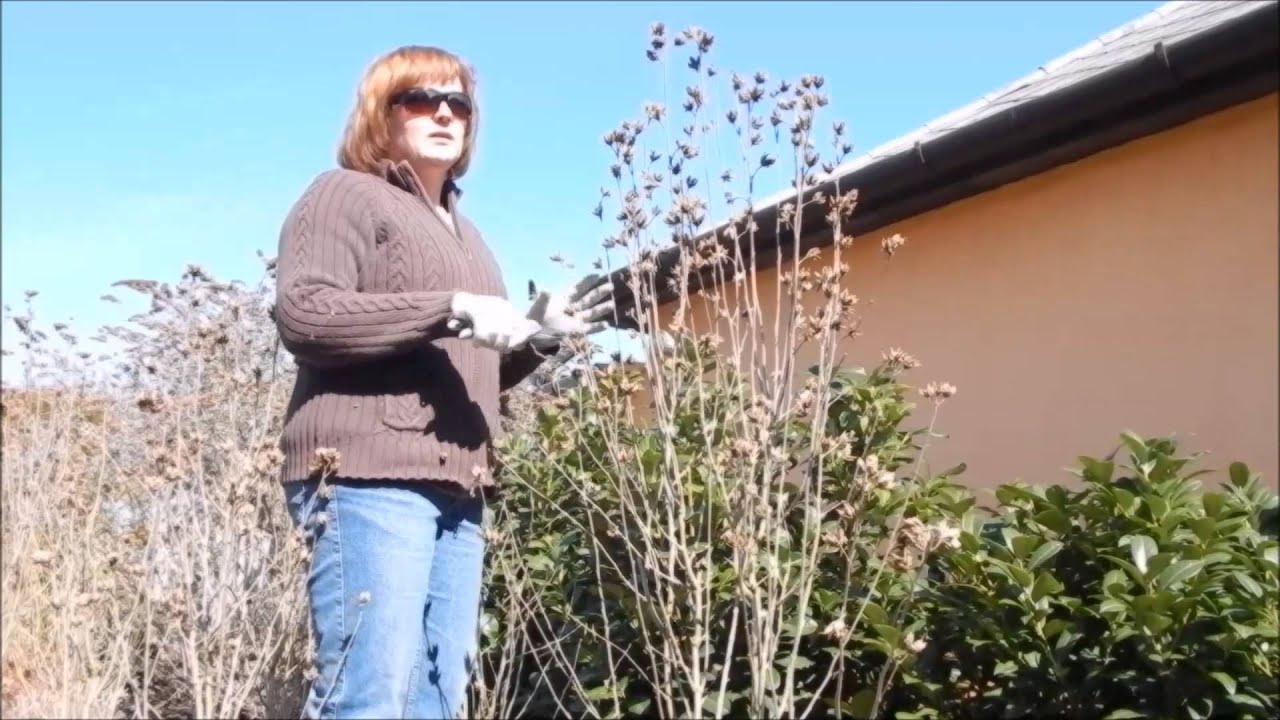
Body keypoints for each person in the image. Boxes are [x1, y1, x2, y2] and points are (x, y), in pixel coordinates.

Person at [273, 45, 614, 719]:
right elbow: (305, 313)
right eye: (421, 98)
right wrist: (450, 307)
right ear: (382, 112)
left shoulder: (469, 235)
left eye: (458, 103)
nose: (444, 114)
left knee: (438, 702)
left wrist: (537, 336)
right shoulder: (342, 194)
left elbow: (472, 366)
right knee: (368, 697)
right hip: (369, 480)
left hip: (461, 491)